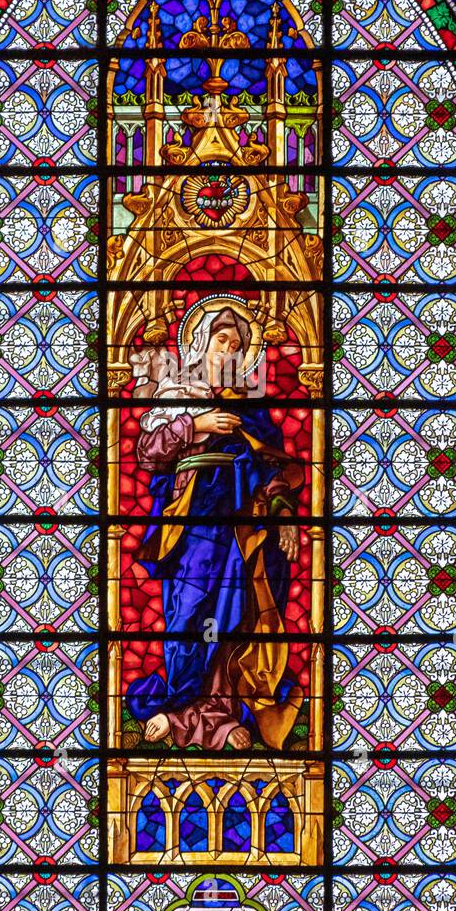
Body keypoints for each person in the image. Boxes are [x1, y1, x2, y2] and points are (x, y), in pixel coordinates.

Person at [126, 305, 304, 751]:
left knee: (235, 616)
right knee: (188, 613)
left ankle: (217, 717)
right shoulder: (174, 393)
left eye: (238, 346)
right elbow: (148, 454)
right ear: (200, 342)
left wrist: (282, 513)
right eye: (221, 341)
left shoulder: (250, 406)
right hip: (190, 522)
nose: (229, 351)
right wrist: (196, 424)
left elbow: (273, 466)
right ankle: (185, 707)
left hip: (240, 522)